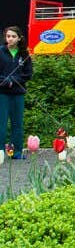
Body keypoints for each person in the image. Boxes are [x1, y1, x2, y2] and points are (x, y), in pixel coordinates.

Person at [0, 26, 33, 159]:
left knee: (17, 124)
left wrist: (13, 80)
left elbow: (28, 74)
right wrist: (5, 81)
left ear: (19, 38)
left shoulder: (24, 54)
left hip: (18, 94)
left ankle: (16, 152)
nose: (10, 39)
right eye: (8, 36)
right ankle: (1, 152)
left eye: (13, 36)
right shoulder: (1, 52)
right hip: (2, 93)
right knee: (1, 124)